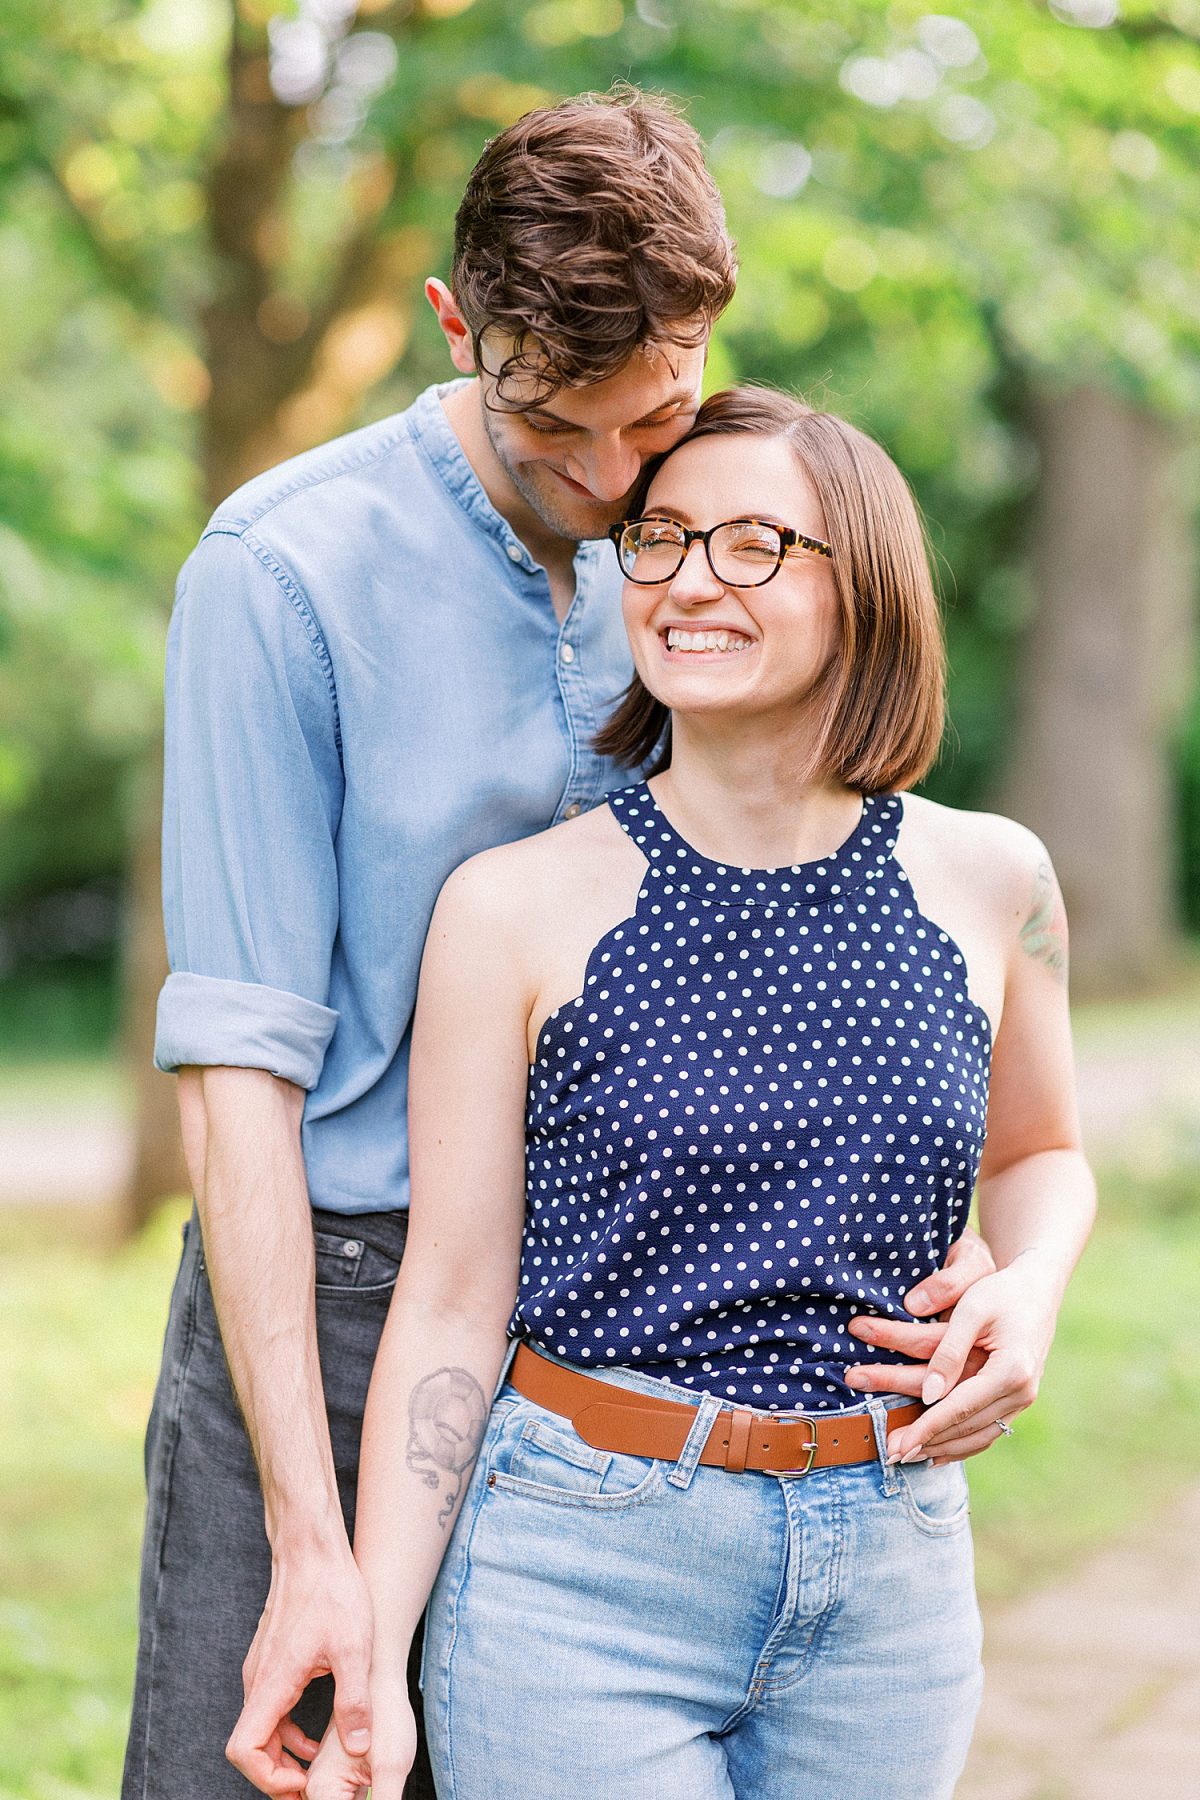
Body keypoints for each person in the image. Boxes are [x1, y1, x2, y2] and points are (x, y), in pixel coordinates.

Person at [123, 91, 997, 1800]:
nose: (614, 487)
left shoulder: (699, 548)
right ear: (459, 327)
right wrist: (314, 1538)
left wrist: (1000, 1265)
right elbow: (241, 1080)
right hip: (348, 1296)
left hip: (631, 1318)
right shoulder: (281, 573)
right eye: (557, 430)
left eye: (649, 418)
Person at [302, 386, 1096, 1800]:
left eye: (751, 544)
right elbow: (452, 1291)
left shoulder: (997, 882)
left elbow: (1043, 1154)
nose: (685, 582)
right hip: (581, 1573)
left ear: (865, 589)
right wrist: (372, 1631)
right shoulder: (510, 909)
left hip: (893, 1577)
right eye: (659, 541)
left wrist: (1028, 1291)